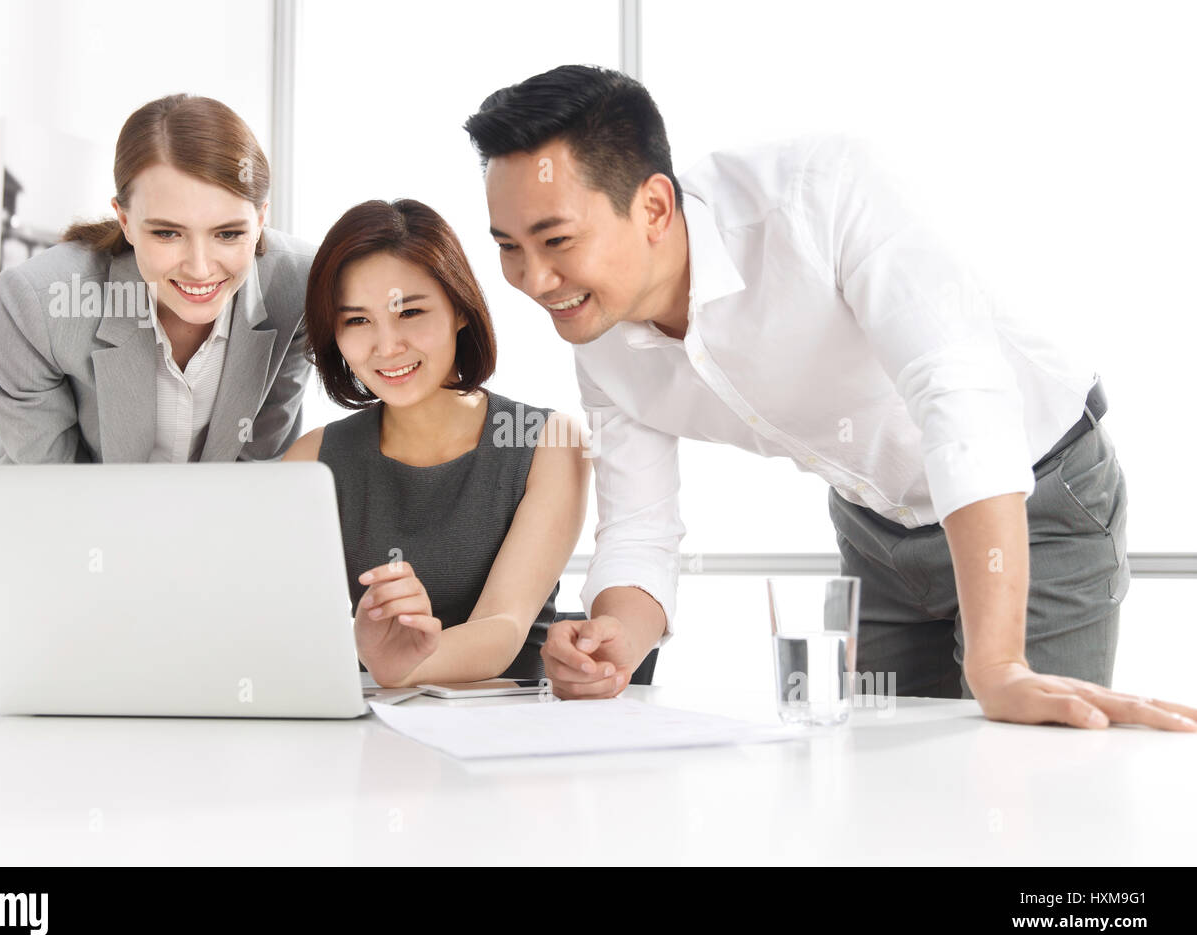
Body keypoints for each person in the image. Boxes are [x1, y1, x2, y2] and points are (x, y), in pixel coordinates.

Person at [463, 64, 1197, 732]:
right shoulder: (598, 335)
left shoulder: (818, 193)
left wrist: (998, 666)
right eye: (507, 246)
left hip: (1035, 503)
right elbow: (640, 530)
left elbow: (961, 395)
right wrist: (612, 642)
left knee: (1027, 767)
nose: (533, 280)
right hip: (878, 534)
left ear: (654, 206)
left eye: (556, 240)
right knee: (883, 788)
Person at [283, 199, 590, 687]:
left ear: (460, 310)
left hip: (510, 733)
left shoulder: (549, 443)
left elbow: (502, 628)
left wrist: (396, 664)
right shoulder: (311, 461)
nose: (387, 347)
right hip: (372, 733)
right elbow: (283, 630)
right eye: (358, 321)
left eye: (410, 311)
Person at [0, 94, 313, 464]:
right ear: (125, 222)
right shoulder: (36, 303)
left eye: (228, 234)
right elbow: (57, 487)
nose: (200, 268)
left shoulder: (300, 288)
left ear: (261, 219)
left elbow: (256, 470)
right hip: (49, 510)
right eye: (167, 234)